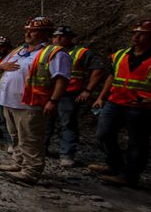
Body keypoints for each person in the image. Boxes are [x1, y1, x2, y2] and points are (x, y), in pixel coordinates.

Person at [90, 19, 151, 187]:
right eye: (135, 33)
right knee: (104, 134)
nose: (136, 36)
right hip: (116, 101)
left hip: (143, 106)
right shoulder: (120, 54)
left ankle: (130, 176)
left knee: (137, 141)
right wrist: (101, 97)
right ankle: (115, 165)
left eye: (142, 34)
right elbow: (112, 76)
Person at [0, 17, 71, 184]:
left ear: (45, 34)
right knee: (15, 135)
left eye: (32, 30)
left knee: (30, 137)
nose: (27, 33)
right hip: (9, 99)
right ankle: (18, 163)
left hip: (31, 102)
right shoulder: (19, 50)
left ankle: (32, 170)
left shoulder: (55, 53)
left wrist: (53, 101)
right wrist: (1, 67)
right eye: (26, 30)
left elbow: (61, 79)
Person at [43, 26, 106, 167]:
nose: (57, 39)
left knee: (68, 124)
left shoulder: (81, 53)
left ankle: (66, 154)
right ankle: (42, 148)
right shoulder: (48, 52)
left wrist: (87, 90)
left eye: (62, 36)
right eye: (55, 36)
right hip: (49, 93)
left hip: (69, 94)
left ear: (71, 38)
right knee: (45, 122)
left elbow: (99, 69)